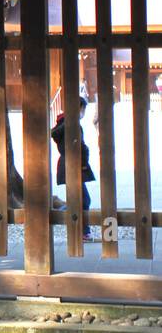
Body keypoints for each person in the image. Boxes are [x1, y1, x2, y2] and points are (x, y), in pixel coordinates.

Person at [51, 95, 95, 243]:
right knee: (84, 199)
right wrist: (84, 162)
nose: (83, 113)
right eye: (83, 110)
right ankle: (82, 231)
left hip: (67, 164)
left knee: (78, 199)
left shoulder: (63, 123)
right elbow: (80, 146)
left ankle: (79, 229)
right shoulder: (71, 124)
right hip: (74, 165)